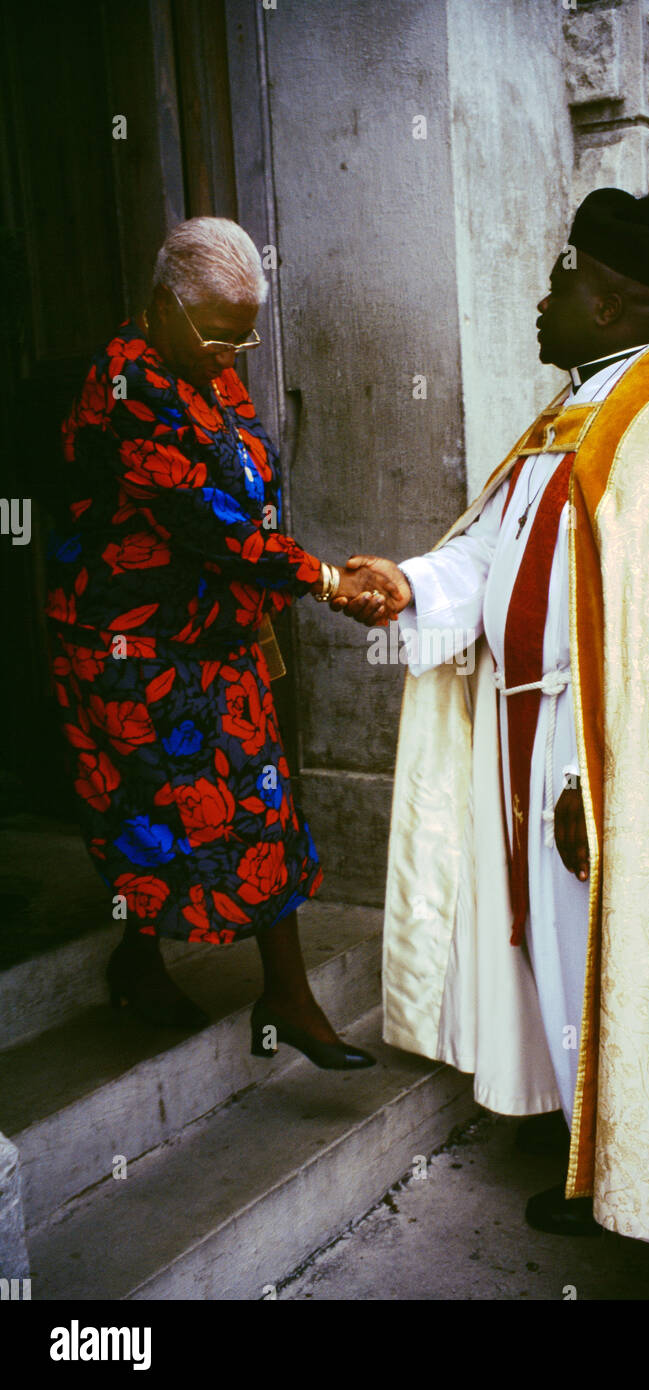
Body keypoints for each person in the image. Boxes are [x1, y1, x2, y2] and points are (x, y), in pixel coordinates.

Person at [340, 189, 649, 1273]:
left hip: (607, 766)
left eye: (557, 283)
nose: (539, 302)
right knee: (563, 965)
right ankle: (603, 1166)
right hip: (534, 744)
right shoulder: (572, 416)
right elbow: (491, 559)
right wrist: (407, 585)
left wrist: (619, 782)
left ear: (608, 299)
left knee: (636, 969)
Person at [45, 217, 401, 1069]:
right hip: (128, 653)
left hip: (218, 639)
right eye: (215, 334)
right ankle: (140, 958)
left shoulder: (210, 371)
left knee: (263, 802)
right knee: (152, 818)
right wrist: (325, 583)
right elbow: (212, 524)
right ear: (164, 303)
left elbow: (250, 497)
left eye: (243, 339)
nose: (229, 354)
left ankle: (287, 994)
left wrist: (305, 577)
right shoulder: (129, 386)